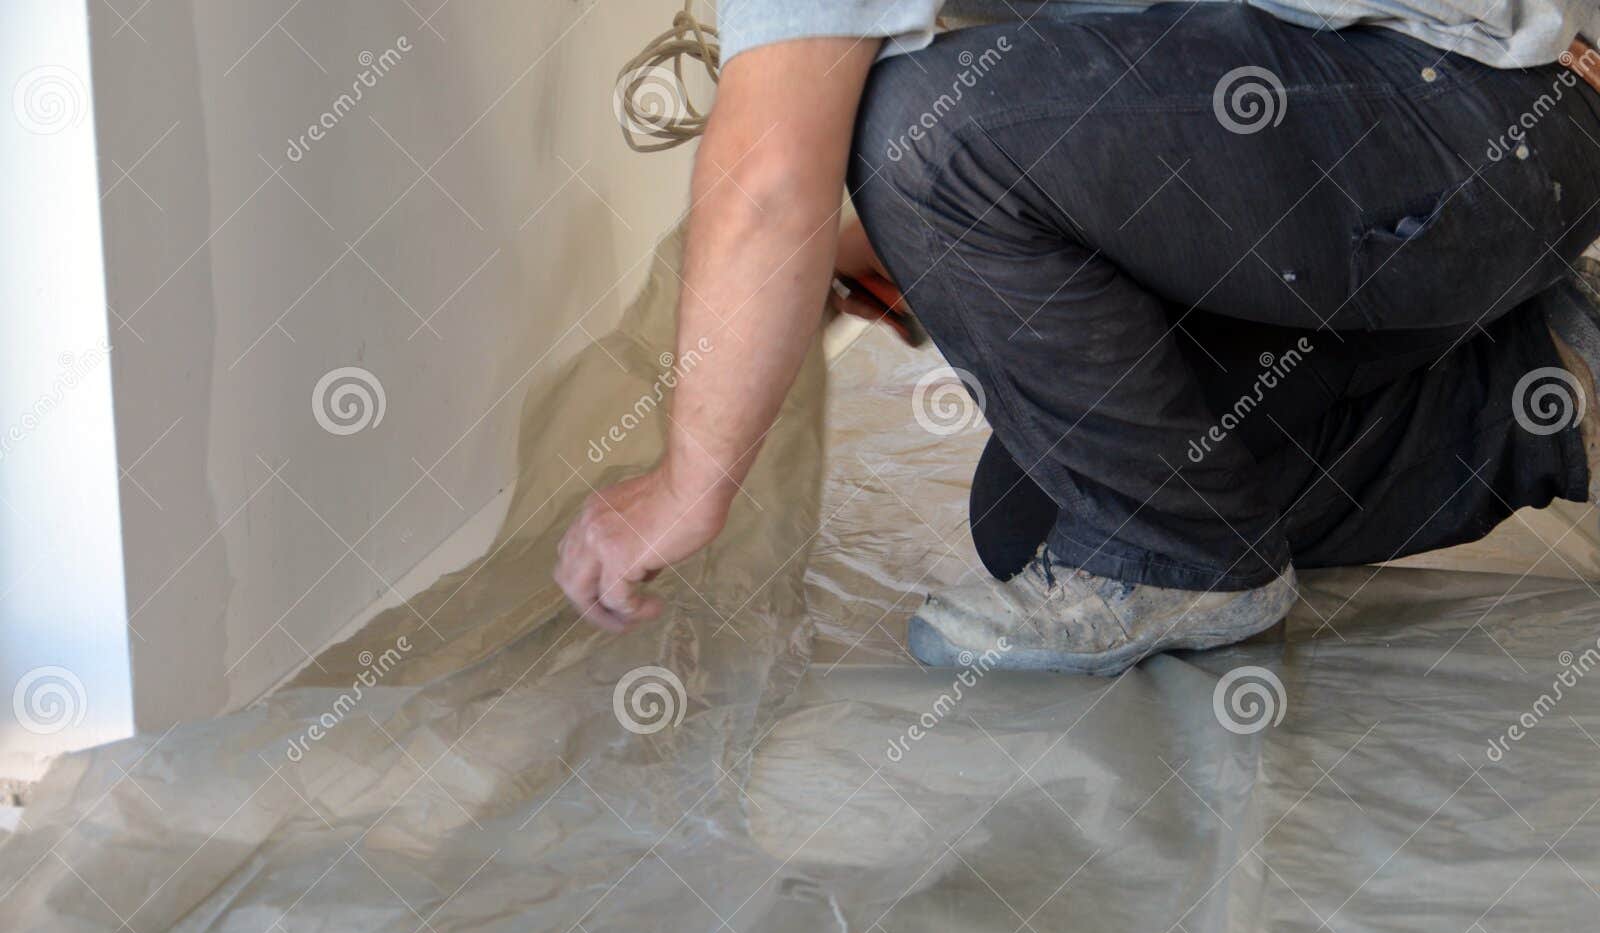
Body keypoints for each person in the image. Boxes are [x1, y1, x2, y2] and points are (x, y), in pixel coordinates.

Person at [555, 1, 1600, 674]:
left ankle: (1184, 558)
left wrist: (689, 484)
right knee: (1042, 512)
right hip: (1428, 152)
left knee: (920, 129)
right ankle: (1538, 387)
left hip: (1482, 119)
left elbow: (771, 183)